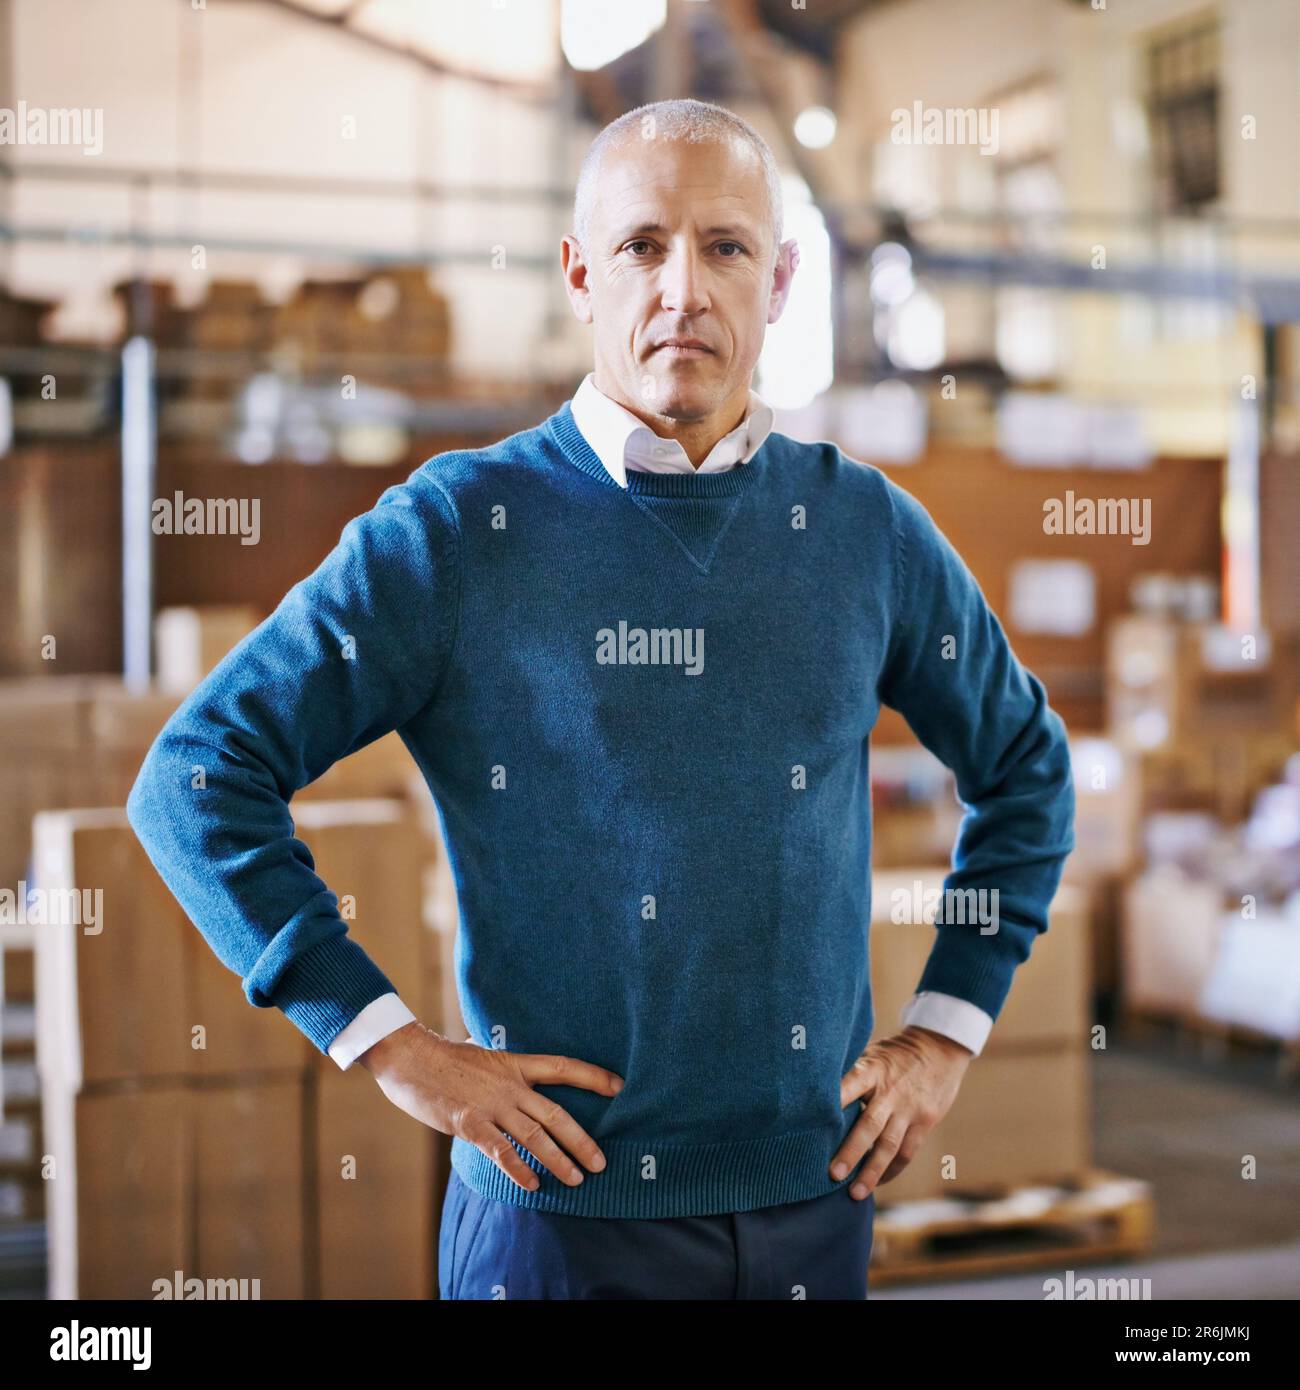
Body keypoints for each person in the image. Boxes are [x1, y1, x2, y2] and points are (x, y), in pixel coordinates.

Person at [128, 98, 1075, 1301]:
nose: (683, 287)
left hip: (814, 1208)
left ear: (779, 282)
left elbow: (1027, 770)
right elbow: (195, 774)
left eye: (726, 247)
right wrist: (389, 1045)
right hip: (559, 1230)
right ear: (581, 273)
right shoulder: (460, 531)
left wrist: (946, 1030)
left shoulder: (861, 530)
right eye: (641, 245)